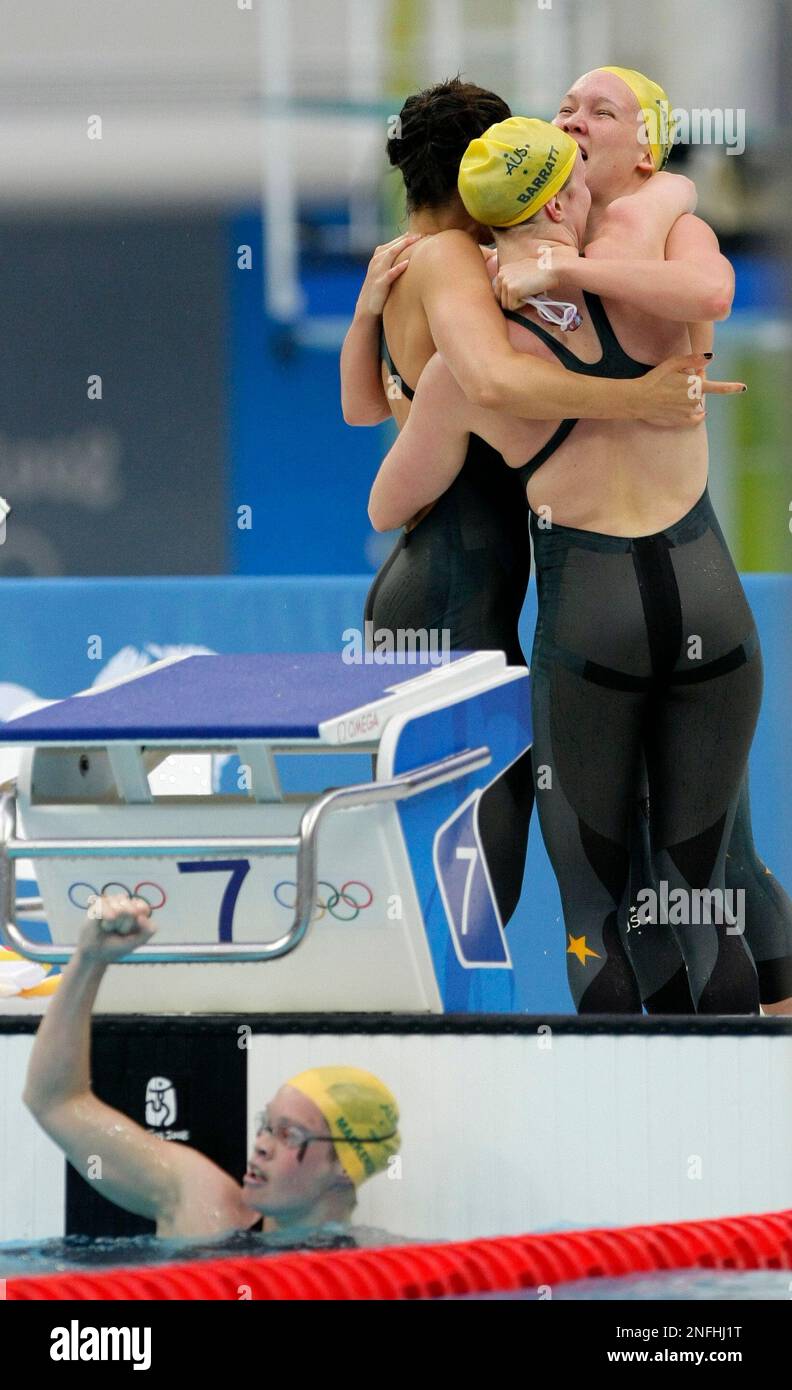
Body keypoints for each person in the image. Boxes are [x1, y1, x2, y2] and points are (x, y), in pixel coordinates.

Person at [369, 115, 761, 1014]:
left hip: (590, 622)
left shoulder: (479, 362)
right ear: (568, 195)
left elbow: (389, 504)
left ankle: (615, 1103)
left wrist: (406, 390)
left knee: (594, 901)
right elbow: (686, 235)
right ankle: (746, 1116)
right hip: (711, 602)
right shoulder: (658, 293)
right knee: (703, 885)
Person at [23, 894, 400, 1239]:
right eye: (266, 1127)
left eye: (289, 1135)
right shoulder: (201, 1210)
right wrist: (89, 961)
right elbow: (56, 1102)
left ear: (347, 1166)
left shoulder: (367, 1275)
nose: (262, 1146)